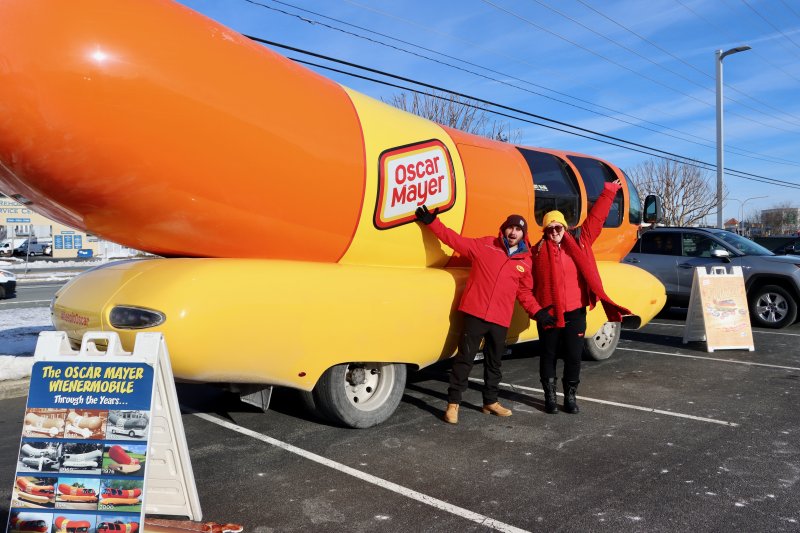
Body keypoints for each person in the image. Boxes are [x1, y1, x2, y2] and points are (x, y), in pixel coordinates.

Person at [415, 205, 541, 424]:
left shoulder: (525, 262)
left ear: (524, 234)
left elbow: (524, 292)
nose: (513, 233)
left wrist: (538, 312)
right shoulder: (485, 245)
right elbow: (454, 240)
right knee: (465, 359)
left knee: (494, 363)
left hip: (500, 319)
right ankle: (453, 404)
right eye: (510, 228)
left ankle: (490, 402)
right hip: (475, 312)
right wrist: (432, 222)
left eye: (518, 230)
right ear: (504, 229)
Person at [530, 179, 631, 414]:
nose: (555, 232)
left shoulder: (580, 241)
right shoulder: (536, 251)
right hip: (549, 313)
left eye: (559, 227)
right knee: (549, 356)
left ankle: (570, 396)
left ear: (565, 227)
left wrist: (608, 192)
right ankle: (550, 397)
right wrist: (537, 311)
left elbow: (596, 219)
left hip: (575, 312)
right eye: (550, 228)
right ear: (544, 230)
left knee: (574, 356)